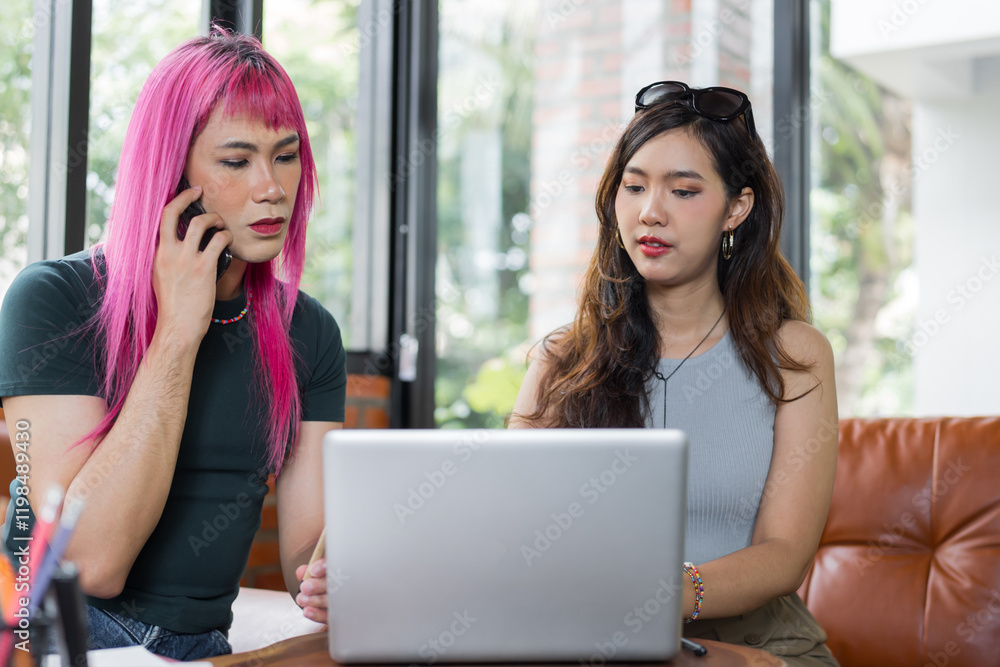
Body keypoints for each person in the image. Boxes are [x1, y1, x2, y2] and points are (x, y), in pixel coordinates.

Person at [0, 29, 344, 660]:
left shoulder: (309, 332)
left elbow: (303, 562)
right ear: (172, 173)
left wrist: (332, 579)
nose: (272, 187)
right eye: (237, 161)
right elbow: (90, 562)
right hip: (60, 640)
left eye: (286, 155)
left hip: (201, 648)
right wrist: (178, 332)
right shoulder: (52, 298)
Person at [510, 81, 839, 665]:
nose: (650, 212)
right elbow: (509, 525)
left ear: (736, 207)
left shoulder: (794, 355)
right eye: (632, 187)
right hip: (593, 644)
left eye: (683, 191)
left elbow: (786, 553)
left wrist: (661, 594)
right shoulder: (563, 360)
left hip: (758, 645)